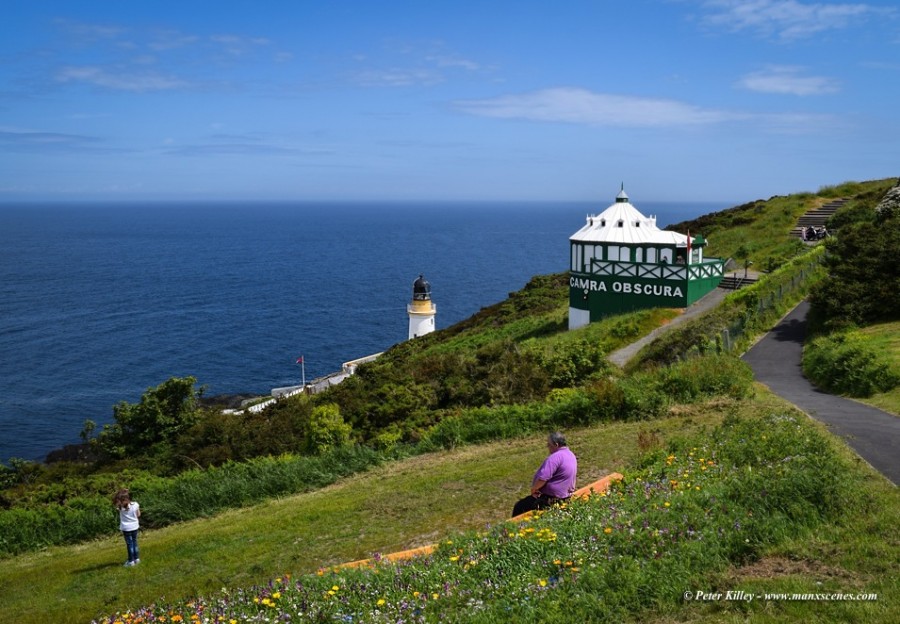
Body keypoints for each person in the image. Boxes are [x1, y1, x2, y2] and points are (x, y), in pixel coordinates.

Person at [511, 432, 578, 517]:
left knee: (519, 506)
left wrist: (534, 489)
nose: (548, 447)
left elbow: (543, 478)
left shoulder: (555, 457)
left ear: (556, 444)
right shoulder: (570, 455)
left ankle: (515, 528)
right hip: (566, 497)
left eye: (549, 445)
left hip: (551, 499)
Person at [113, 488, 141, 566]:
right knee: (135, 542)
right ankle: (137, 559)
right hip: (135, 526)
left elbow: (117, 502)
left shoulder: (120, 507)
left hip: (126, 528)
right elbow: (139, 515)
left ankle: (131, 561)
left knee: (129, 544)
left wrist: (122, 492)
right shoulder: (135, 504)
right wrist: (126, 492)